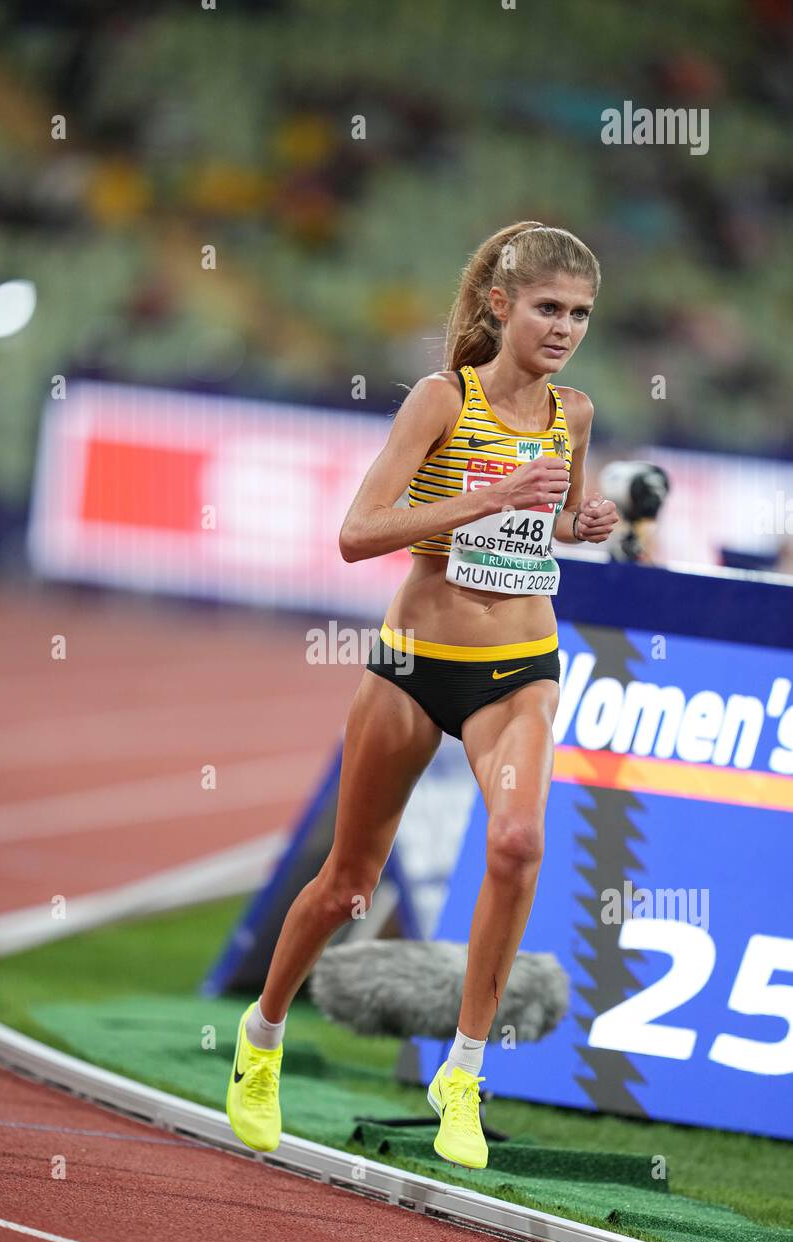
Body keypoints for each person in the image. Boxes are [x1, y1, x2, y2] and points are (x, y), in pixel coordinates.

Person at [226, 221, 619, 1170]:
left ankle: (464, 1072)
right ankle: (262, 1039)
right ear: (499, 305)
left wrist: (582, 519)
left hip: (519, 667)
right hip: (412, 662)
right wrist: (480, 499)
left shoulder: (574, 412)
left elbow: (552, 520)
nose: (565, 327)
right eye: (548, 308)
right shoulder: (443, 399)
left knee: (519, 843)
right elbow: (360, 533)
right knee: (348, 885)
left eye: (580, 314)